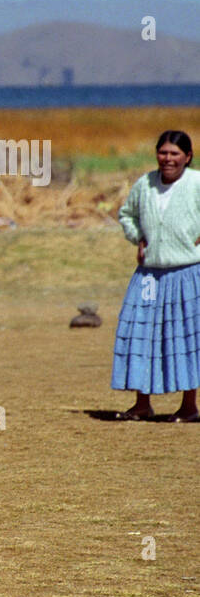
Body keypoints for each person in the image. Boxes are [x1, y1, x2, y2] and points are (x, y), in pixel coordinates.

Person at [112, 130, 200, 421]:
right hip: (149, 275)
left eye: (175, 154)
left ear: (187, 157)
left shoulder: (196, 183)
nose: (168, 159)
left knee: (186, 337)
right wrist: (138, 237)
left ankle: (189, 407)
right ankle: (141, 404)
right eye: (163, 152)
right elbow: (127, 213)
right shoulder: (145, 184)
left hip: (187, 273)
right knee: (142, 333)